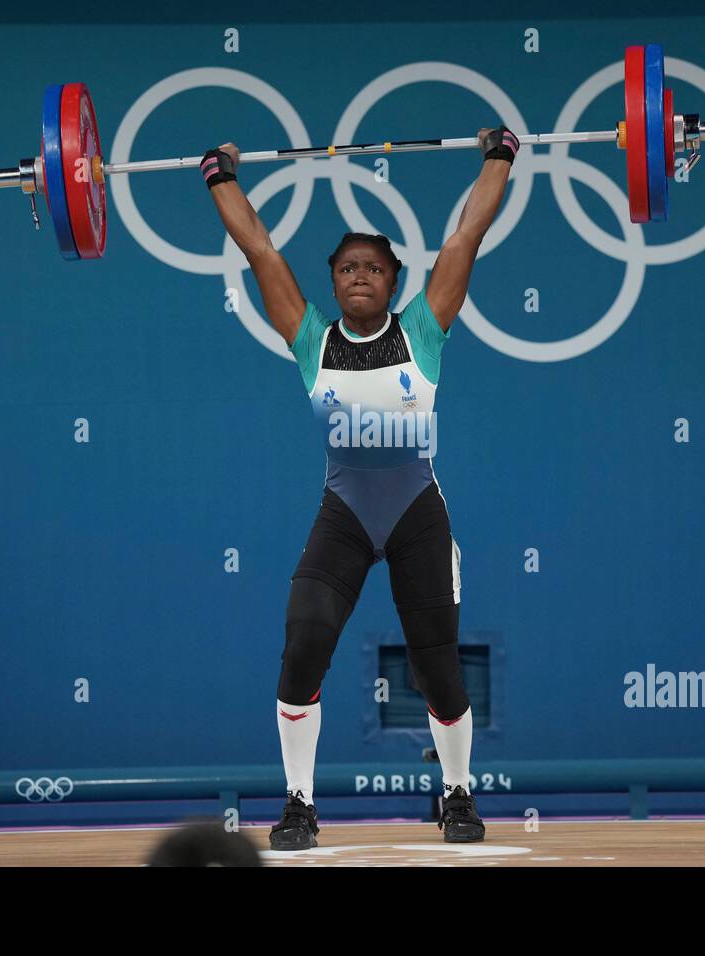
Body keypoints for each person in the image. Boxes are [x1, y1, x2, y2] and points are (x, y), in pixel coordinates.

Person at [201, 124, 520, 850]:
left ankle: (460, 793)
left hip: (416, 515)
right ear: (333, 279)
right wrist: (220, 174)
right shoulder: (309, 337)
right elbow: (258, 248)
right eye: (346, 267)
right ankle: (299, 805)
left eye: (372, 267)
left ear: (395, 280)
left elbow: (468, 235)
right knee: (303, 642)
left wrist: (500, 157)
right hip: (343, 513)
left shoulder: (425, 330)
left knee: (438, 669)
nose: (358, 276)